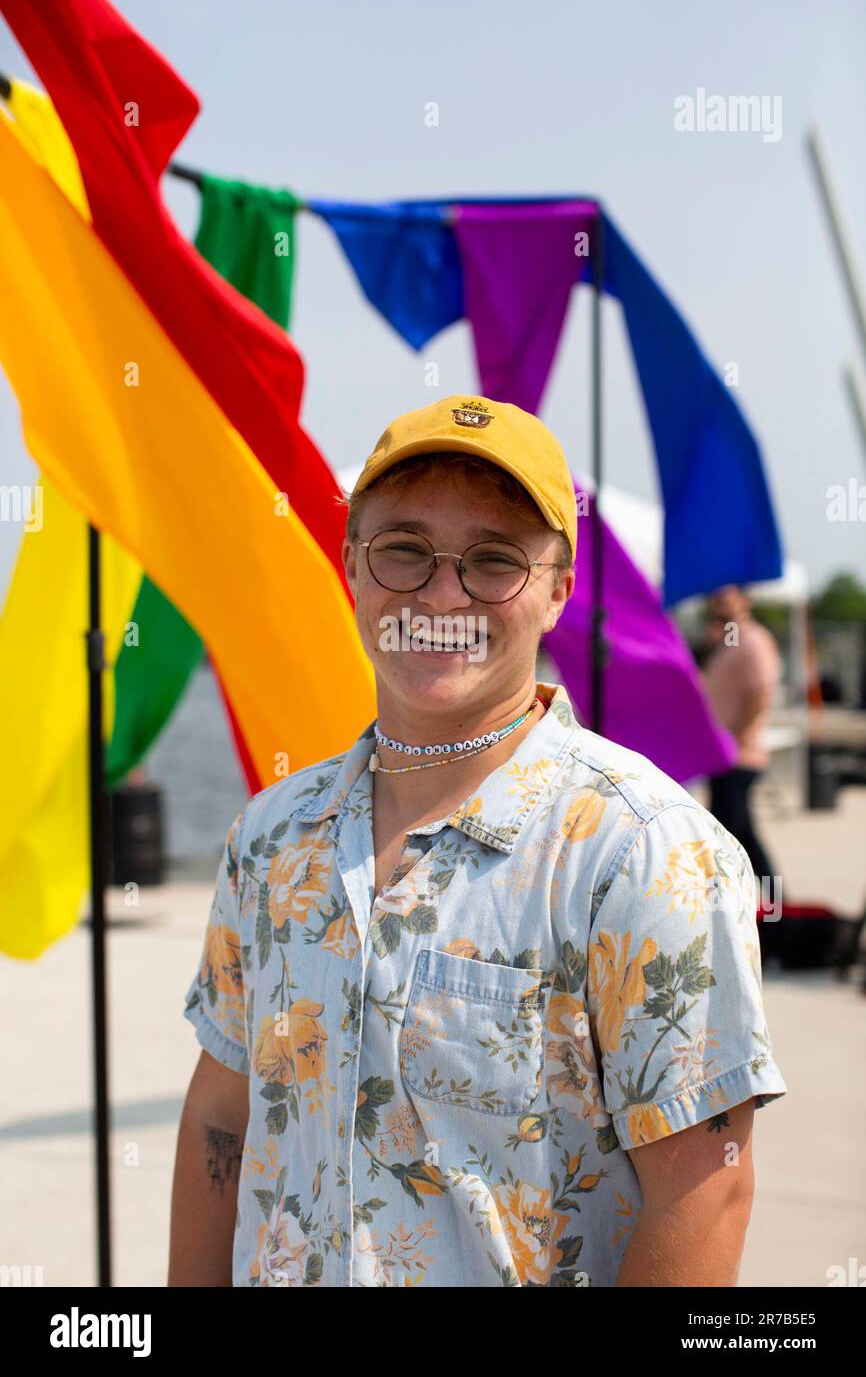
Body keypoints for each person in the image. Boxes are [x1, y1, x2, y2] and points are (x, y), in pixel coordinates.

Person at [169, 395, 787, 1288]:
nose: (442, 592)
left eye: (494, 561)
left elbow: (706, 1193)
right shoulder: (271, 838)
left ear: (558, 590)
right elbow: (221, 1115)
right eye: (404, 550)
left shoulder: (641, 854)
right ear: (352, 565)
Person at [701, 585, 782, 887]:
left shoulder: (754, 640)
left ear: (745, 599)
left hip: (739, 756)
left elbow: (760, 693)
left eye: (727, 596)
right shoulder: (731, 640)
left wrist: (732, 737)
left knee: (735, 839)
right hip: (723, 755)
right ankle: (773, 910)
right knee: (737, 837)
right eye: (716, 597)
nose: (718, 602)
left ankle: (777, 910)